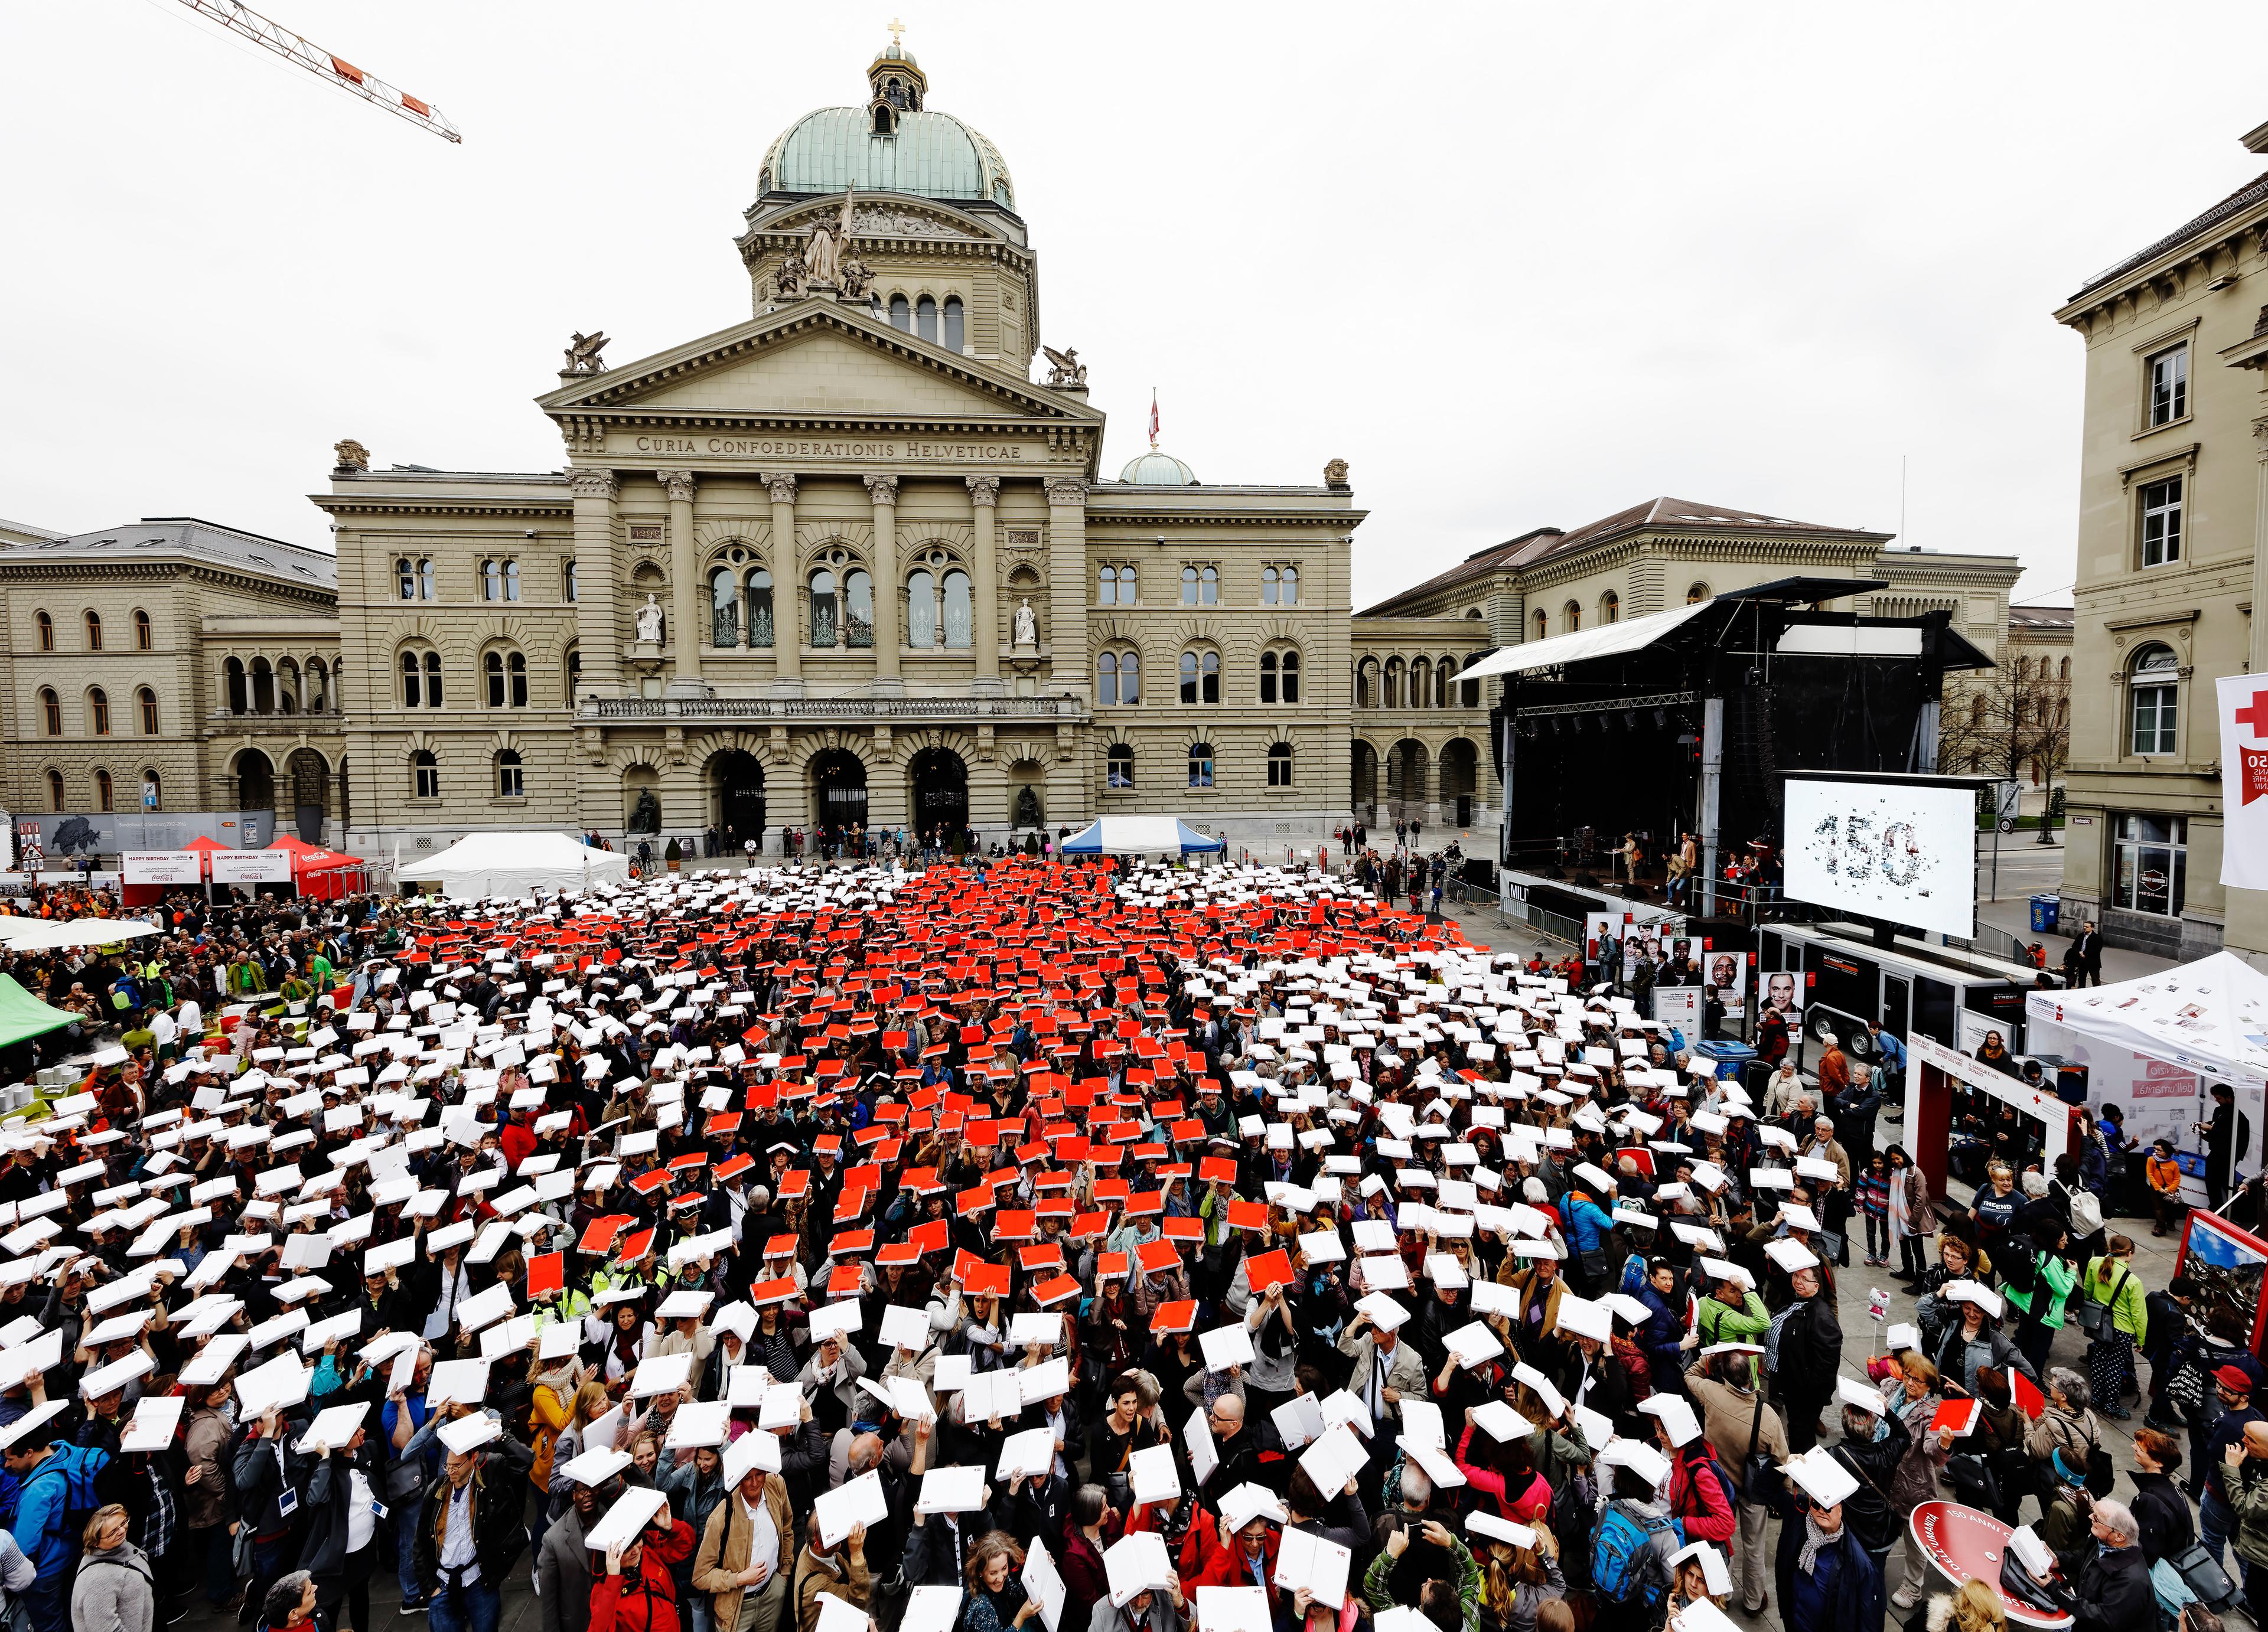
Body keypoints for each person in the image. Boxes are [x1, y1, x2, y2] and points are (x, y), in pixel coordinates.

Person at [70, 1506, 154, 1632]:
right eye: (112, 1532)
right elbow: (104, 1627)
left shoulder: (118, 1547)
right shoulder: (97, 1580)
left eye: (123, 1523)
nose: (121, 1531)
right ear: (95, 1542)